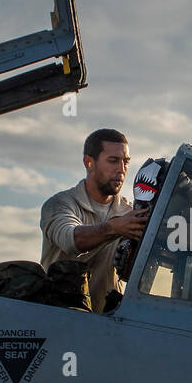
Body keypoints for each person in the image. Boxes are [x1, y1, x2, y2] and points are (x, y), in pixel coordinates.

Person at [39, 129, 151, 313]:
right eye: (113, 161)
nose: (121, 169)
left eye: (126, 162)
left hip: (108, 325)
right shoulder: (59, 205)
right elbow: (72, 240)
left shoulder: (128, 213)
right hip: (57, 321)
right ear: (89, 162)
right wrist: (114, 228)